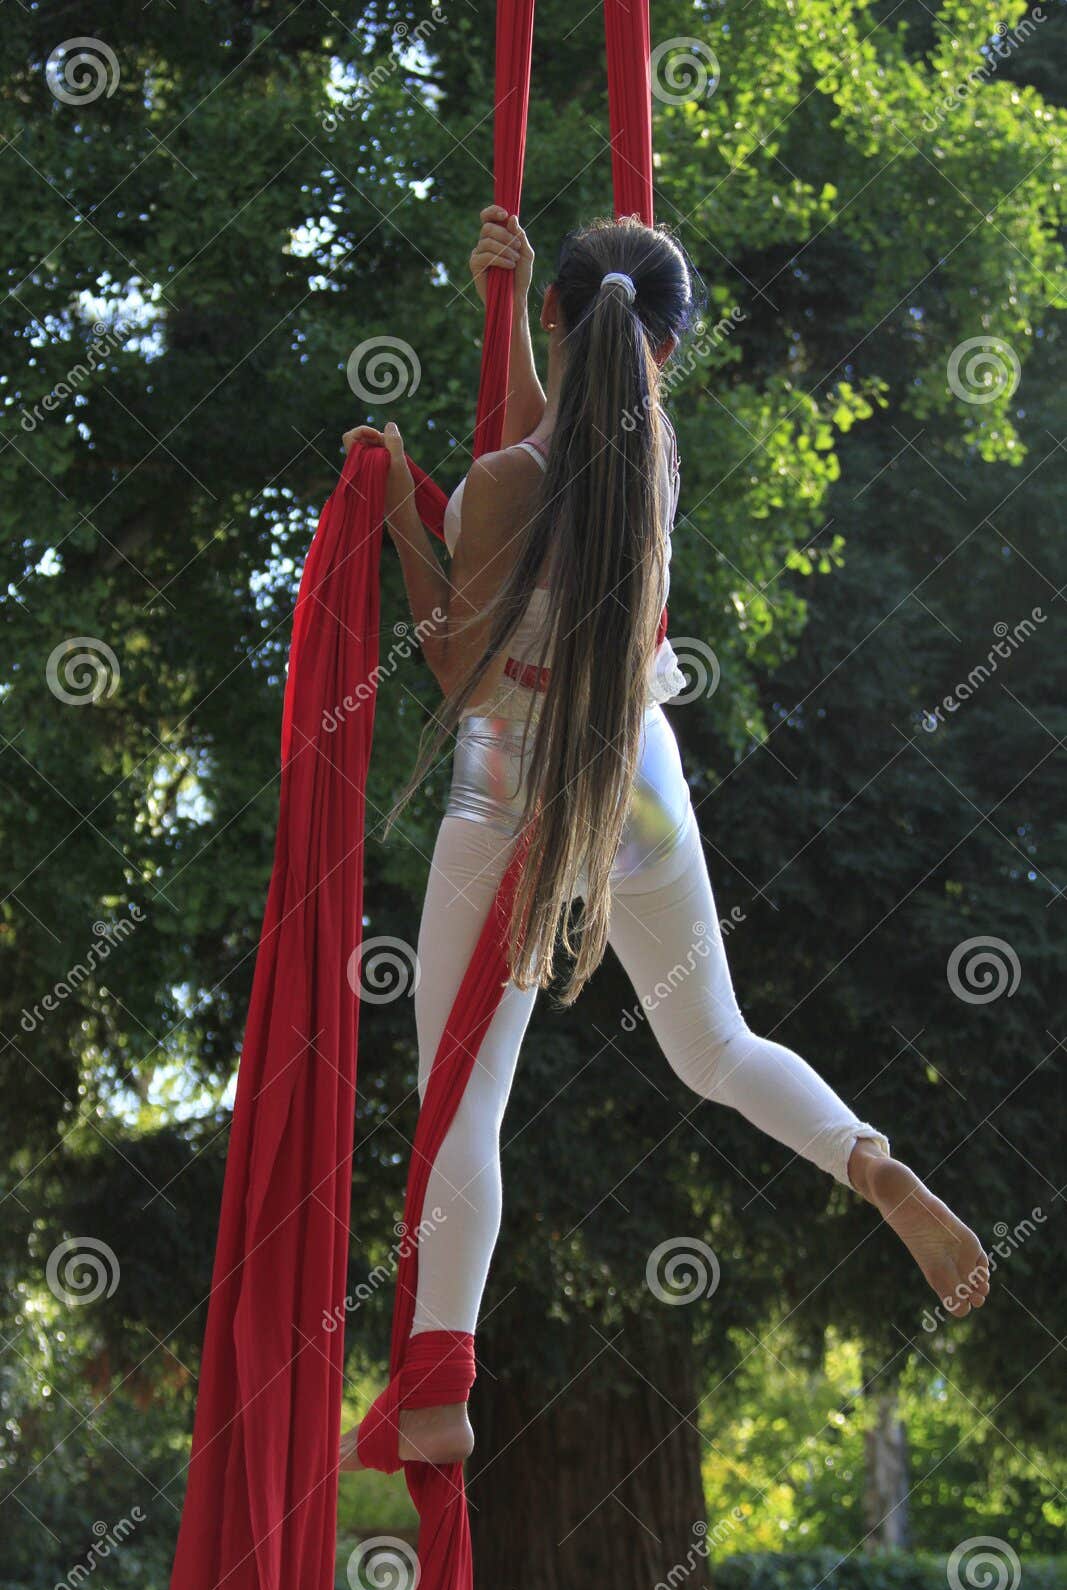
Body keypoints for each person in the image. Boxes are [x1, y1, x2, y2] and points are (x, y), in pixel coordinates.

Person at [338, 208, 989, 1471]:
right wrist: (508, 316)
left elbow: (459, 669)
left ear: (555, 323)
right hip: (634, 780)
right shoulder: (654, 461)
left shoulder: (500, 483)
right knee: (715, 1045)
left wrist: (401, 517)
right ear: (666, 350)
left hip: (507, 784)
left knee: (462, 1093)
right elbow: (554, 452)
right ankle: (869, 1162)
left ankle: (437, 1385)